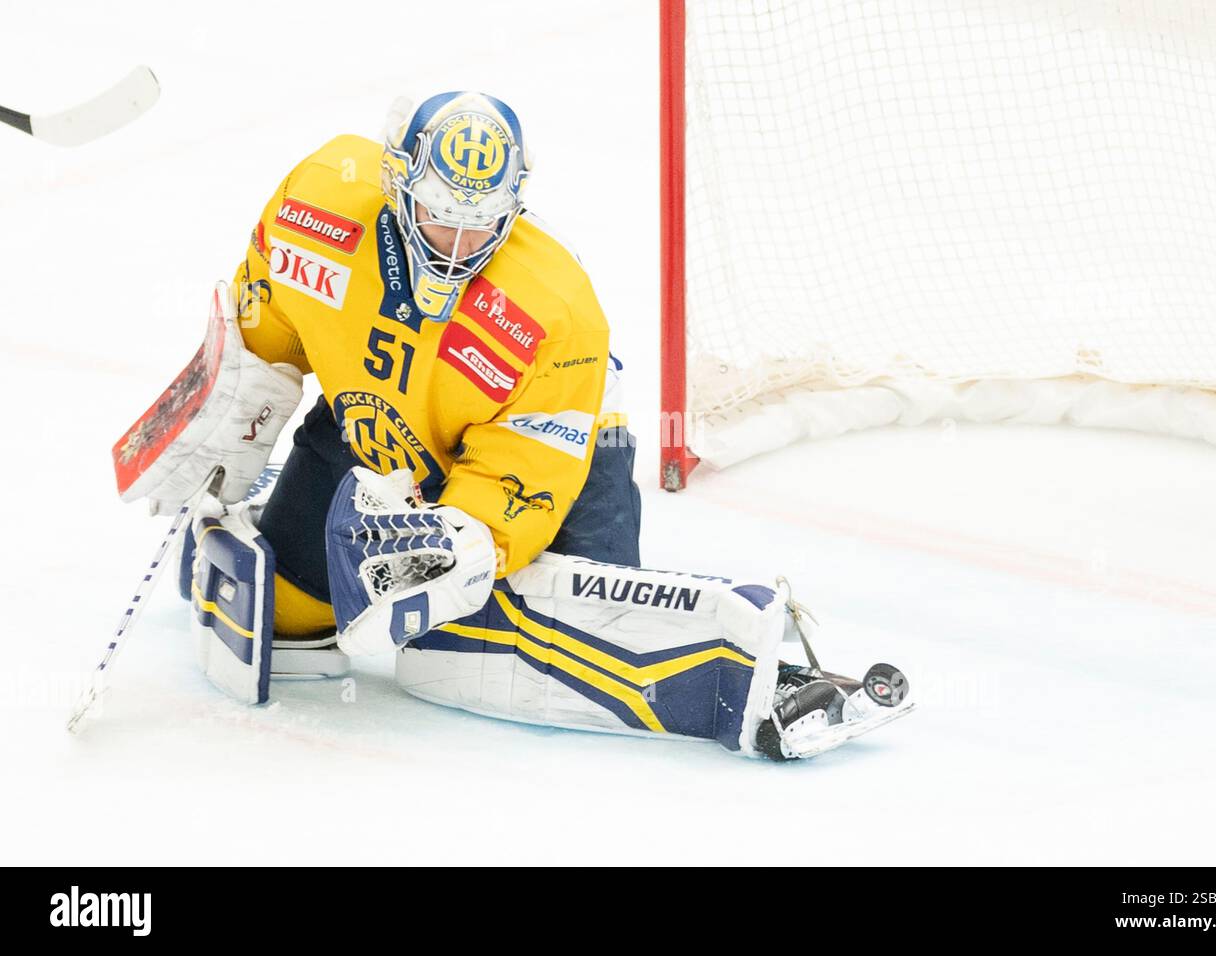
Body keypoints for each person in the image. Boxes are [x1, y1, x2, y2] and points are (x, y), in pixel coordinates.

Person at [117, 92, 910, 759]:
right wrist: (230, 411)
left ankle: (747, 676)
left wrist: (462, 545)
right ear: (399, 187)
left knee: (508, 642)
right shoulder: (316, 204)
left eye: (482, 223)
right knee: (283, 615)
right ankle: (256, 522)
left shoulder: (555, 309)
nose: (459, 244)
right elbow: (270, 326)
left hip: (564, 464)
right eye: (438, 217)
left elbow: (520, 479)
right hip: (375, 434)